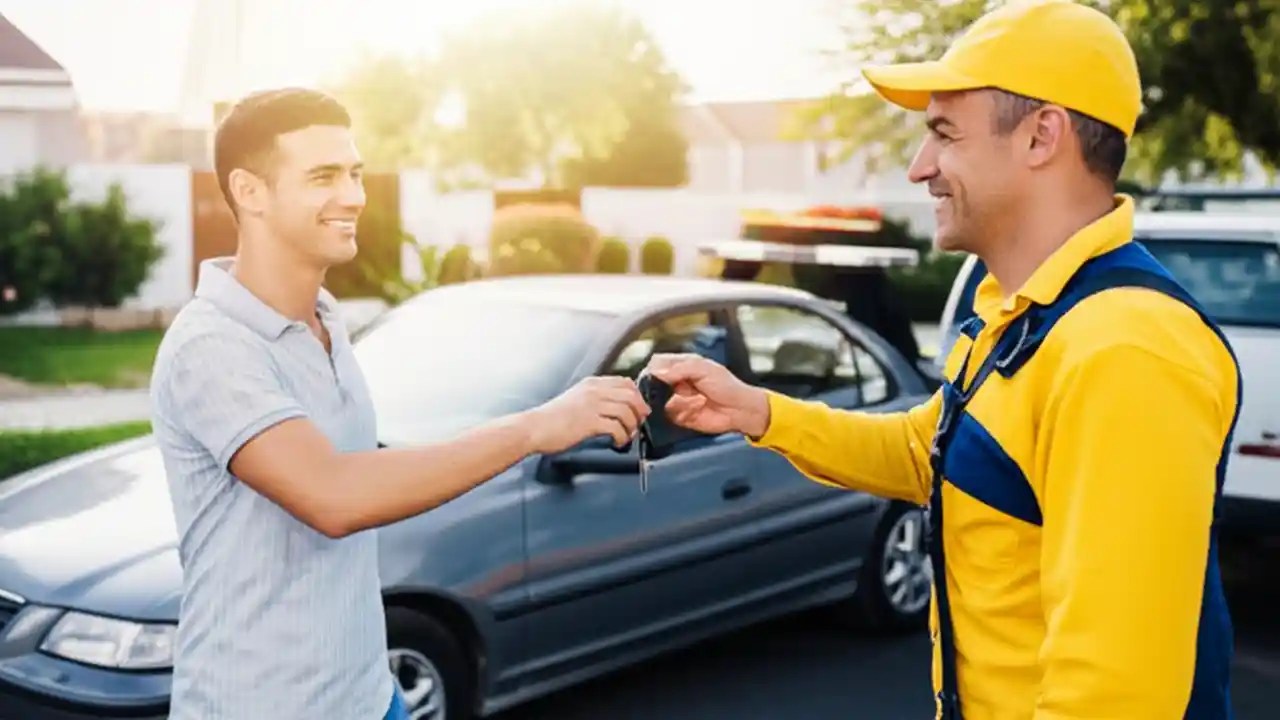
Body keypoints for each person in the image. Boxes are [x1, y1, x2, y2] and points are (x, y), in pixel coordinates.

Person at [645, 2, 1241, 719]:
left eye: (943, 134)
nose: (919, 166)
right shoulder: (1018, 311)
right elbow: (927, 448)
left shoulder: (1125, 351)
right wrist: (758, 411)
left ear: (1040, 137)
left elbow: (1112, 699)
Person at [148, 88, 649, 720]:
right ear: (250, 192)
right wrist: (534, 428)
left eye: (355, 173)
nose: (355, 195)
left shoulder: (324, 320)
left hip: (367, 695)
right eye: (324, 176)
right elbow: (334, 495)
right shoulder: (211, 345)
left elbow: (367, 463)